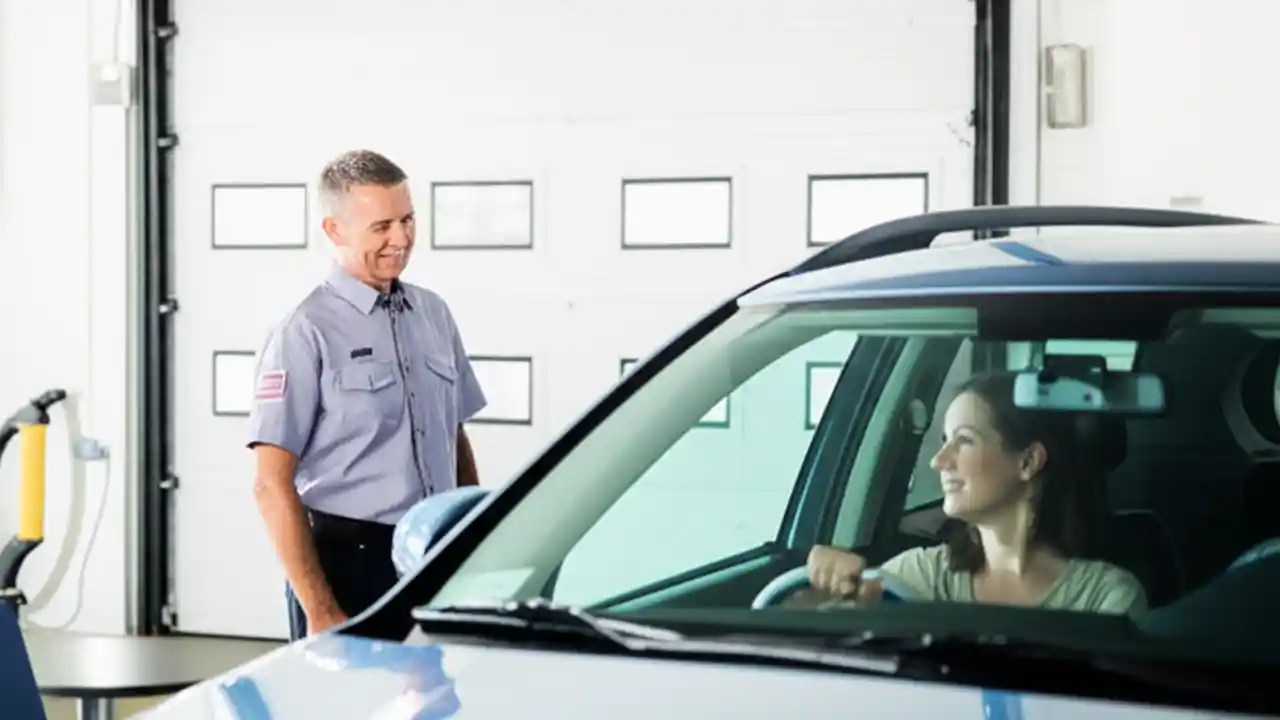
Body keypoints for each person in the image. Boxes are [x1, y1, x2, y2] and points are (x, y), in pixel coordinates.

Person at [247, 149, 487, 641]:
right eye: (382, 227)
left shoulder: (433, 313)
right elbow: (271, 485)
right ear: (335, 231)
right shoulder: (304, 331)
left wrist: (472, 545)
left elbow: (455, 438)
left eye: (408, 220)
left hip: (432, 555)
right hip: (348, 567)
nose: (401, 239)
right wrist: (319, 608)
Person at [805, 371, 1147, 615]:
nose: (939, 461)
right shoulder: (924, 576)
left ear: (1028, 461)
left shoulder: (1105, 598)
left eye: (964, 441)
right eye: (944, 441)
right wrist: (828, 585)